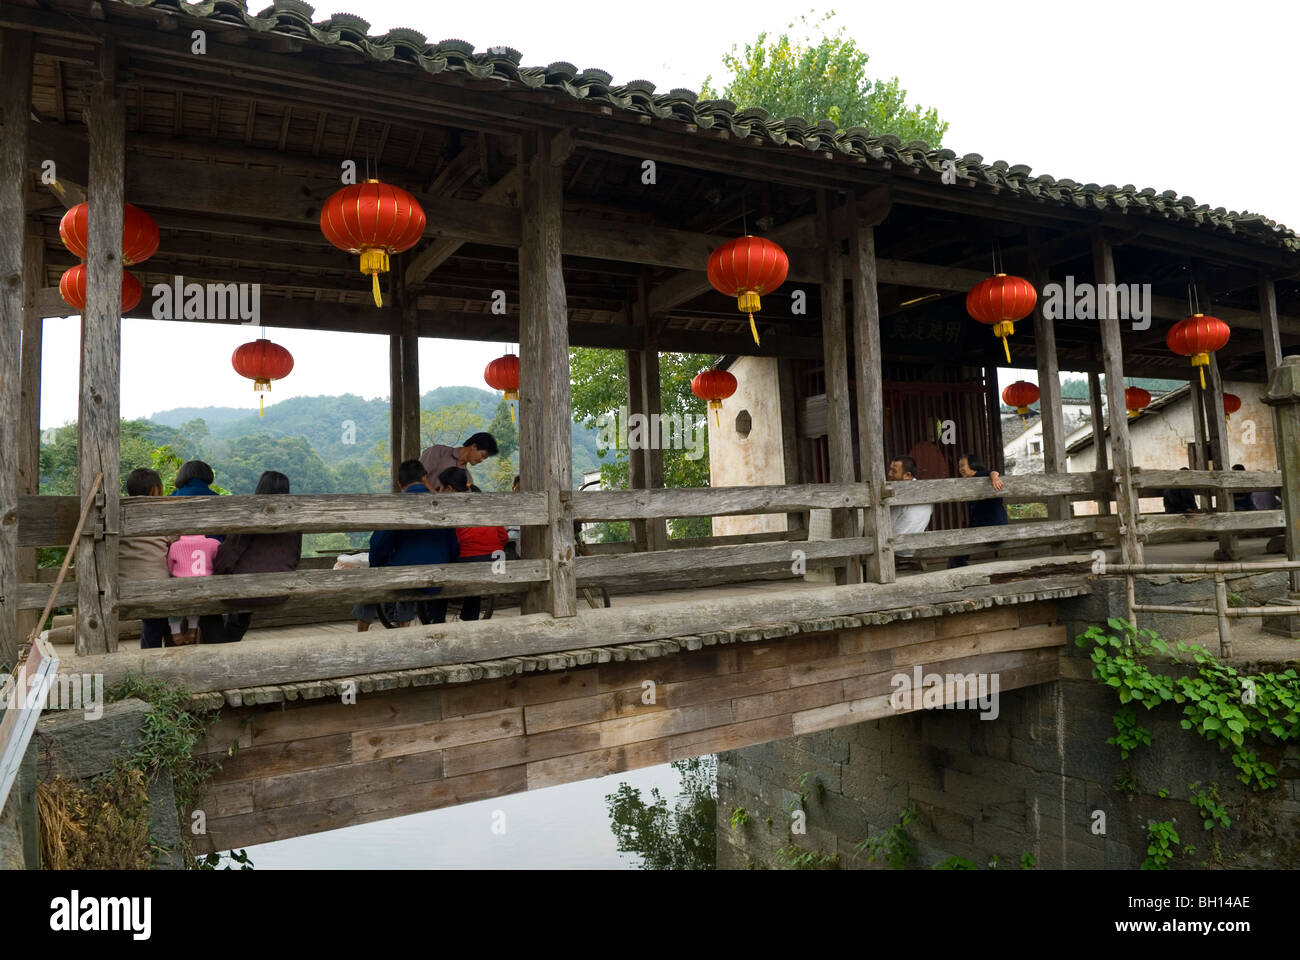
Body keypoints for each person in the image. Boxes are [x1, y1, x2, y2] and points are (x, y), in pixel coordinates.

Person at [353, 460, 459, 631]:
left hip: (406, 574)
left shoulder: (396, 505)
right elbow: (453, 545)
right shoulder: (441, 504)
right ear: (425, 477)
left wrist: (376, 565)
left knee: (373, 582)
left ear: (399, 484)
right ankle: (404, 626)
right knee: (409, 564)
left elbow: (379, 543)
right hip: (439, 574)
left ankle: (362, 631)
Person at [199, 471, 301, 643]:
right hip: (280, 590)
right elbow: (295, 556)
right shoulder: (295, 519)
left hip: (245, 590)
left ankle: (222, 648)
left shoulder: (251, 513)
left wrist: (217, 573)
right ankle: (228, 644)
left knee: (204, 602)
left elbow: (230, 553)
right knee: (243, 608)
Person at [118, 468, 172, 649]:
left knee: (154, 624)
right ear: (155, 490)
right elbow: (175, 543)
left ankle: (149, 652)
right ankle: (153, 654)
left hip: (122, 585)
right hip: (157, 587)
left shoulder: (119, 512)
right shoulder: (162, 516)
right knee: (157, 622)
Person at [454, 484, 508, 622]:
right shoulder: (491, 514)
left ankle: (469, 617)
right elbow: (504, 538)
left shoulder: (459, 515)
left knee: (472, 583)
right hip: (497, 560)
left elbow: (456, 542)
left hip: (470, 559)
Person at [948, 452, 1007, 569]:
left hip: (993, 527)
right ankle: (959, 568)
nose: (960, 469)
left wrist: (995, 478)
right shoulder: (970, 482)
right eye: (959, 466)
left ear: (972, 464)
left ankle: (958, 570)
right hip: (987, 526)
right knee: (958, 547)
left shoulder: (981, 476)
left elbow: (993, 472)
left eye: (962, 465)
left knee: (957, 548)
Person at [166, 532, 220, 644]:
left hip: (182, 584)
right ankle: (192, 628)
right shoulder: (214, 543)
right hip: (204, 586)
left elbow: (170, 567)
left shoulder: (175, 545)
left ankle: (175, 632)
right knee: (196, 602)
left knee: (174, 603)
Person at [888, 456, 932, 561]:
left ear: (907, 475)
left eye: (894, 471)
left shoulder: (901, 494)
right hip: (917, 547)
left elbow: (886, 525)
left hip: (897, 549)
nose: (889, 474)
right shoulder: (926, 490)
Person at [418, 432, 498, 490]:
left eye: (485, 458)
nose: (481, 460)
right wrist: (435, 496)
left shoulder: (468, 479)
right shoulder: (438, 452)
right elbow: (416, 476)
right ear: (474, 446)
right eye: (483, 455)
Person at [170, 459, 224, 542]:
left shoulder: (173, 497)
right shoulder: (216, 497)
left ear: (182, 476)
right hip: (212, 545)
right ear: (208, 475)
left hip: (178, 545)